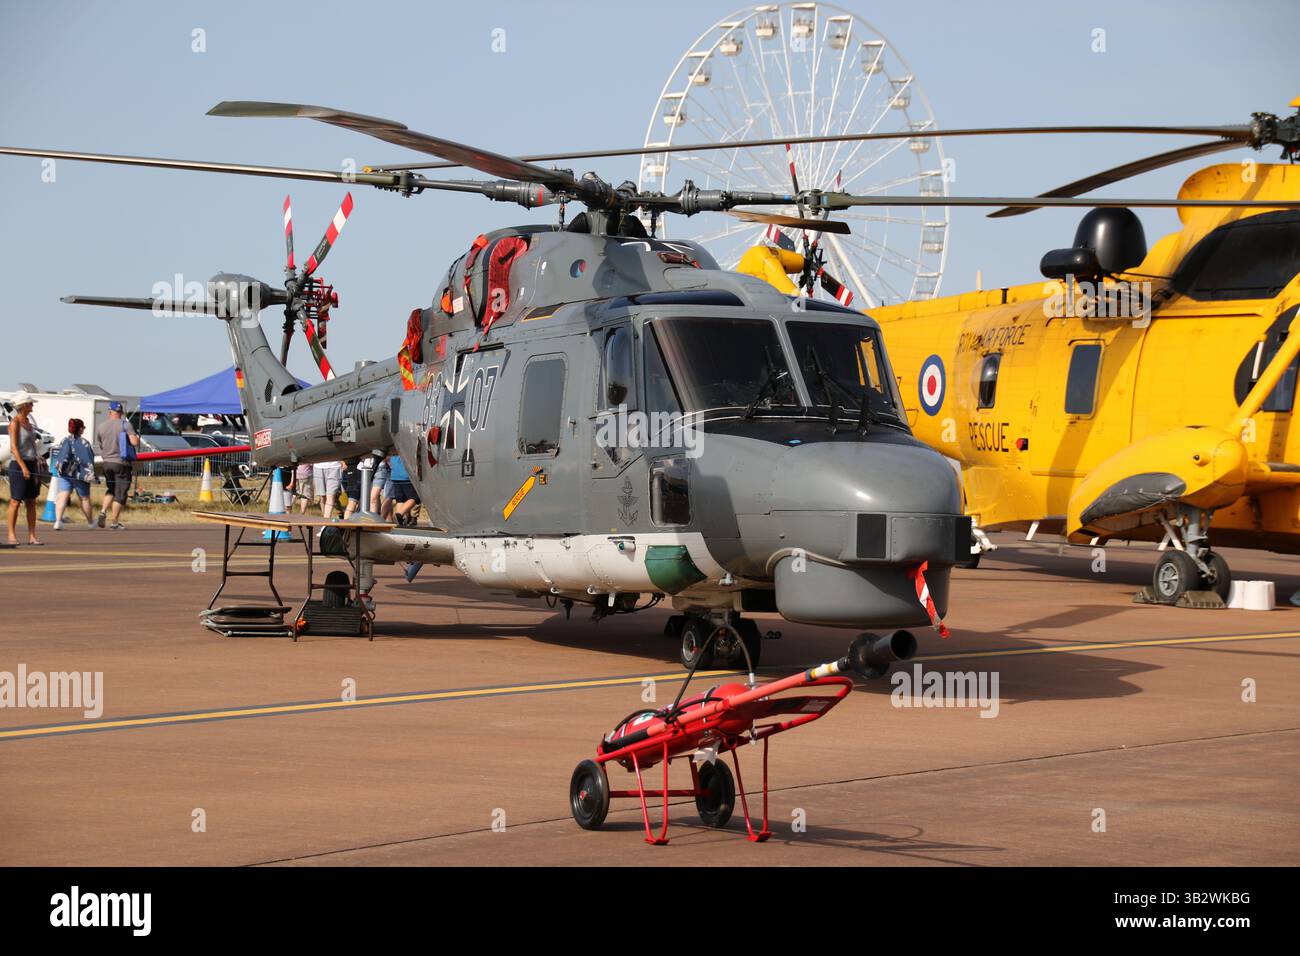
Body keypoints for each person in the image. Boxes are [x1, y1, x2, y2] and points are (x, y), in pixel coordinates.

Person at [6, 392, 44, 546]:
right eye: (30, 403)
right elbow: (14, 448)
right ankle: (11, 534)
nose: (32, 405)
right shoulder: (14, 423)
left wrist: (38, 459)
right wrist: (23, 467)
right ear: (23, 406)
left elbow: (32, 445)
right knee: (16, 501)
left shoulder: (28, 422)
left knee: (31, 501)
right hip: (18, 465)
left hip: (31, 463)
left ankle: (32, 536)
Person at [94, 400, 139, 529]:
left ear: (110, 412)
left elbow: (101, 444)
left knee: (111, 489)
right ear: (121, 412)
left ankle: (103, 511)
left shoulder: (101, 426)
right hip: (121, 463)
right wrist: (137, 437)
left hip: (106, 463)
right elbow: (134, 442)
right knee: (120, 493)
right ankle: (114, 522)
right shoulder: (126, 425)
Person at [52, 418, 96, 530]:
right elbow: (89, 460)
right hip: (80, 475)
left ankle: (58, 521)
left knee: (63, 495)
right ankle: (90, 522)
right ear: (80, 429)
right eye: (83, 428)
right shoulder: (84, 443)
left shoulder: (64, 440)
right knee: (84, 498)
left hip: (65, 473)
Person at [387, 454, 421, 526]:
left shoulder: (395, 447)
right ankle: (399, 515)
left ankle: (399, 521)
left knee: (400, 500)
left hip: (395, 475)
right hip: (406, 476)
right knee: (416, 497)